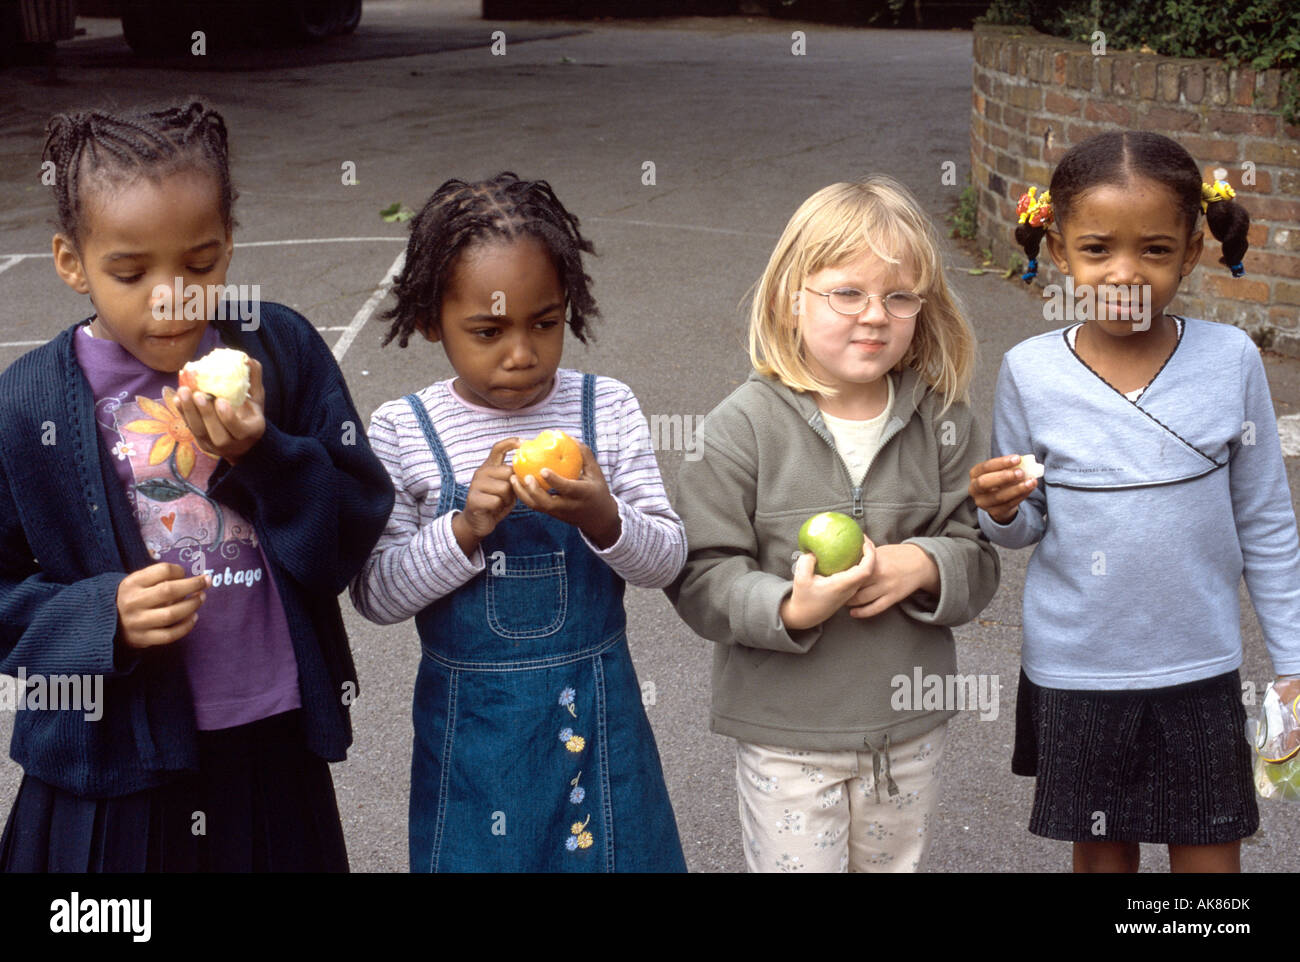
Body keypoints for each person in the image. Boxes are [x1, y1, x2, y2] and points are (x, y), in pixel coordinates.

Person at [0, 101, 394, 872]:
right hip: (113, 769)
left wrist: (267, 454)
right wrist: (96, 614)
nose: (171, 294)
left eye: (202, 263)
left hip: (271, 743)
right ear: (71, 261)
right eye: (130, 270)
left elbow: (346, 538)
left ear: (230, 247)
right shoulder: (26, 405)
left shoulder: (282, 352)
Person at [970, 129, 1300, 873]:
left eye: (1154, 249)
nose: (1125, 272)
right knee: (1103, 853)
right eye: (1097, 249)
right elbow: (1026, 524)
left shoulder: (1231, 359)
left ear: (1192, 251)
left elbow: (1267, 522)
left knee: (1212, 856)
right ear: (1058, 251)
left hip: (1201, 662)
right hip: (1078, 668)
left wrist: (1293, 659)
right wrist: (998, 511)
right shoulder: (1030, 372)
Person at [350, 172, 686, 872]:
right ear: (427, 321)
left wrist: (602, 515)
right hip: (474, 742)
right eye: (488, 330)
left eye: (545, 322)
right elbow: (376, 595)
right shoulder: (404, 430)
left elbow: (668, 561)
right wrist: (465, 527)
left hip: (597, 725)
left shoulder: (607, 409)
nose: (522, 353)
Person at [667, 176, 1000, 872]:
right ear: (793, 299)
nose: (874, 315)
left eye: (899, 296)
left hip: (905, 732)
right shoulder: (741, 427)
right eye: (847, 293)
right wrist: (786, 605)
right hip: (785, 735)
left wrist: (929, 565)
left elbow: (979, 556)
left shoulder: (945, 422)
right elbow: (700, 575)